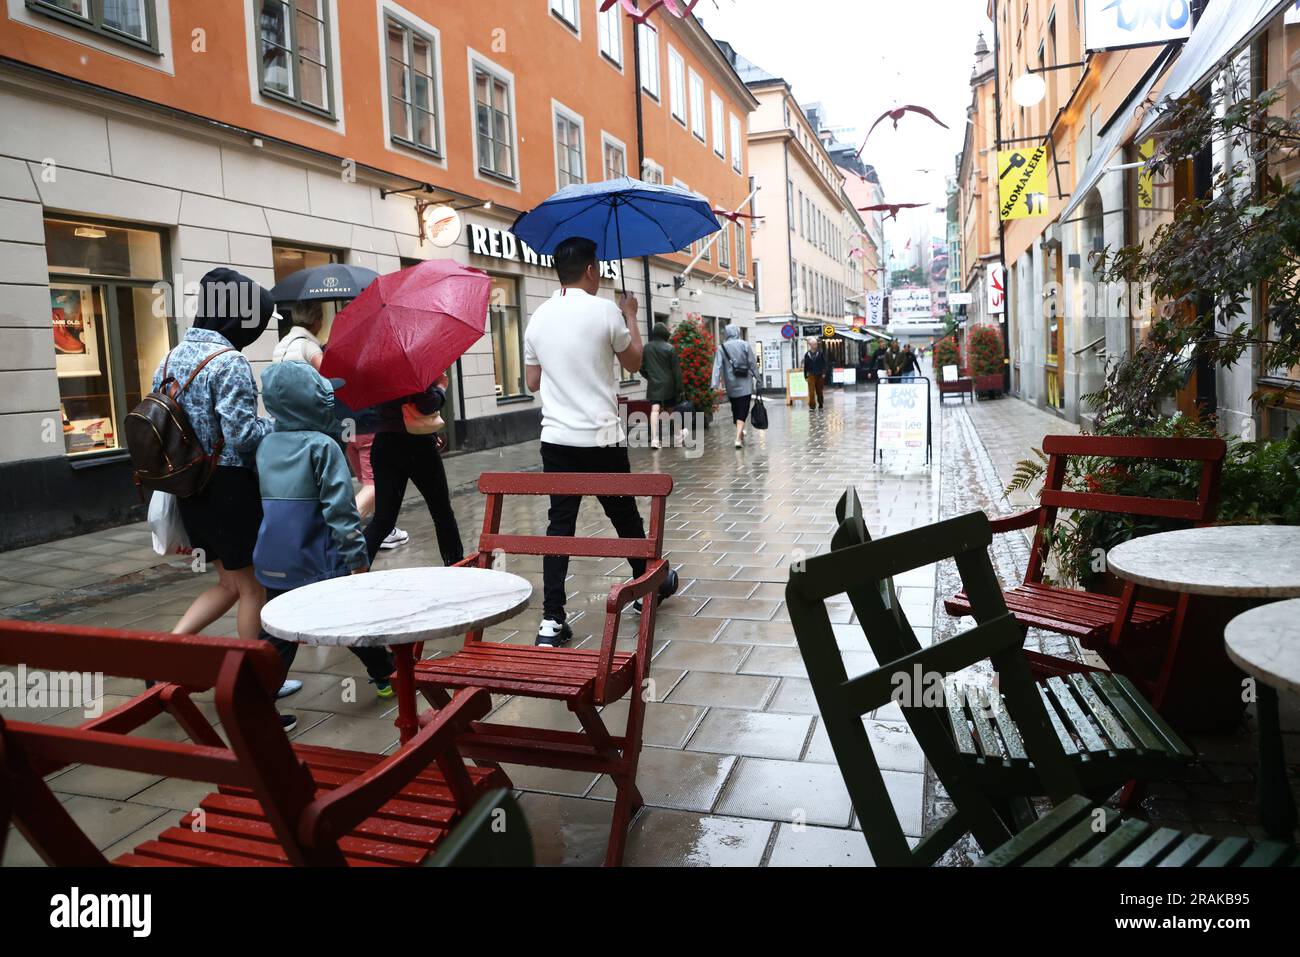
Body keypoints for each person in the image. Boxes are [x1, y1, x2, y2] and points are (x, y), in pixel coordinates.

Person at [523, 236, 679, 648]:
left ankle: (552, 621)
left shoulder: (537, 317)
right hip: (602, 436)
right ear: (591, 270)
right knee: (624, 516)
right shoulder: (607, 310)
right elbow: (634, 361)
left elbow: (532, 381)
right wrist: (630, 315)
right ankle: (646, 589)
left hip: (556, 439)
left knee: (560, 527)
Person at [253, 362, 395, 730]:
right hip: (316, 559)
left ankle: (255, 700)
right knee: (348, 620)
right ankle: (386, 674)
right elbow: (341, 512)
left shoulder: (266, 444)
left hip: (273, 557)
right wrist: (357, 559)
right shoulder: (322, 447)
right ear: (315, 404)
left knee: (277, 635)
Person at [156, 268, 274, 645]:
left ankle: (165, 653)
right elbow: (243, 437)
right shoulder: (229, 361)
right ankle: (253, 682)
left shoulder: (170, 357)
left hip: (189, 487)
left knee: (229, 583)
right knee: (254, 589)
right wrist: (277, 425)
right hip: (229, 490)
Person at [362, 374, 463, 567]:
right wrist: (441, 387)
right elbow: (427, 403)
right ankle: (457, 569)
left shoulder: (378, 368)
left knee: (383, 521)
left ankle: (351, 571)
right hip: (417, 446)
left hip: (384, 443)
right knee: (442, 513)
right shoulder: (409, 367)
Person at [712, 325, 759, 448]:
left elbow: (717, 367)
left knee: (736, 410)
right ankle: (738, 438)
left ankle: (740, 433)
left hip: (731, 384)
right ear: (737, 332)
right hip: (745, 384)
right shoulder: (745, 345)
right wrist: (758, 379)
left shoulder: (721, 348)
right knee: (743, 411)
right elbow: (752, 364)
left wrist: (715, 384)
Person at [641, 321, 684, 449]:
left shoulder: (647, 348)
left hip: (654, 383)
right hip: (669, 384)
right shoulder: (670, 348)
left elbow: (641, 367)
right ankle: (678, 436)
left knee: (655, 409)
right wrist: (680, 389)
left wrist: (649, 377)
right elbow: (676, 371)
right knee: (671, 410)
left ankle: (654, 439)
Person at [273, 300, 325, 369]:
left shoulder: (280, 345)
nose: (322, 323)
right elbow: (327, 373)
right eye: (321, 319)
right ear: (315, 320)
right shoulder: (309, 345)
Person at [802, 338, 829, 410]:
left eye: (816, 344)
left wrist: (824, 372)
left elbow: (824, 363)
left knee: (819, 390)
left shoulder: (820, 353)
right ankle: (812, 406)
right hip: (811, 374)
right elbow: (806, 366)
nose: (815, 345)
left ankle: (820, 403)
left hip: (819, 374)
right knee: (811, 391)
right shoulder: (807, 355)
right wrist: (805, 375)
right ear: (810, 345)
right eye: (814, 344)